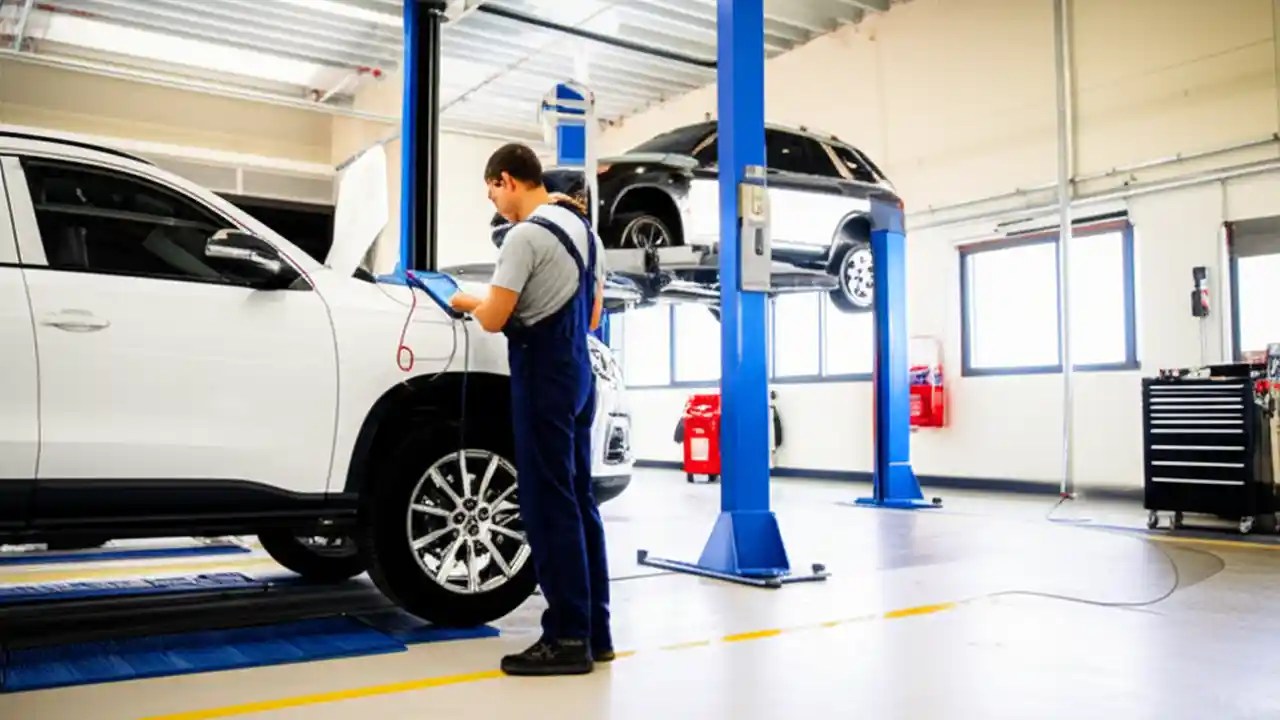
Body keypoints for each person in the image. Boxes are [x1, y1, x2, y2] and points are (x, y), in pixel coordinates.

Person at [449, 143, 612, 676]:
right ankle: (595, 632)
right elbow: (592, 316)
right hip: (579, 376)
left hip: (543, 377)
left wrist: (466, 300)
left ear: (506, 181)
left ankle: (565, 638)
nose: (493, 203)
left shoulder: (524, 237)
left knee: (547, 506)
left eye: (491, 192)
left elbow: (495, 318)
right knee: (580, 501)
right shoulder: (587, 234)